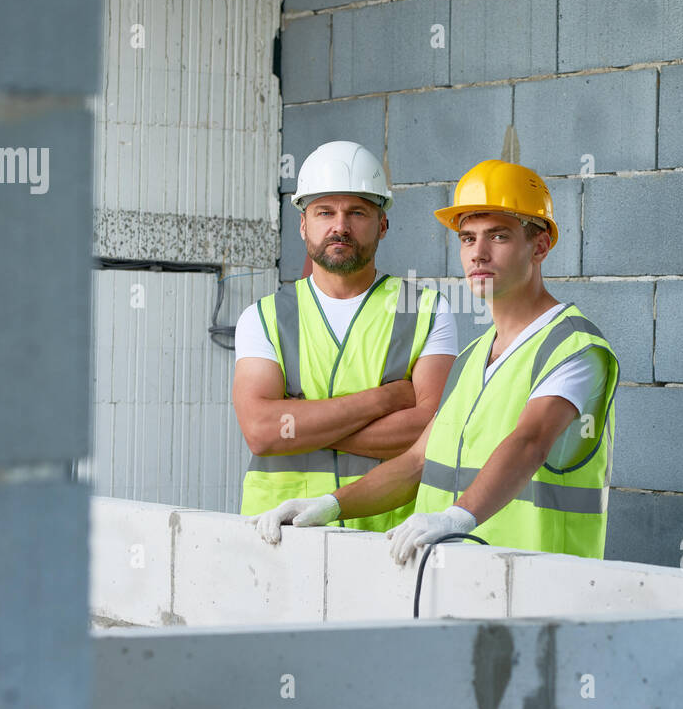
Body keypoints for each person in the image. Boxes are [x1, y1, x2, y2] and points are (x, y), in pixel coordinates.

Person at [252, 159, 619, 563]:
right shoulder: (471, 357)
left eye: (498, 237)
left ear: (540, 246)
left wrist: (457, 517)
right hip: (458, 581)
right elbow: (415, 462)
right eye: (466, 239)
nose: (478, 254)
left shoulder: (574, 348)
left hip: (539, 589)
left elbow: (529, 442)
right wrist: (329, 505)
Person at [233, 141, 456, 532]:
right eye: (325, 212)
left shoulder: (425, 310)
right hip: (281, 532)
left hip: (386, 535)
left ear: (382, 224)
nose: (340, 226)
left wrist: (304, 425)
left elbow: (430, 430)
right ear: (303, 224)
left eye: (357, 212)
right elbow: (262, 432)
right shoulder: (263, 317)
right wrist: (385, 399)